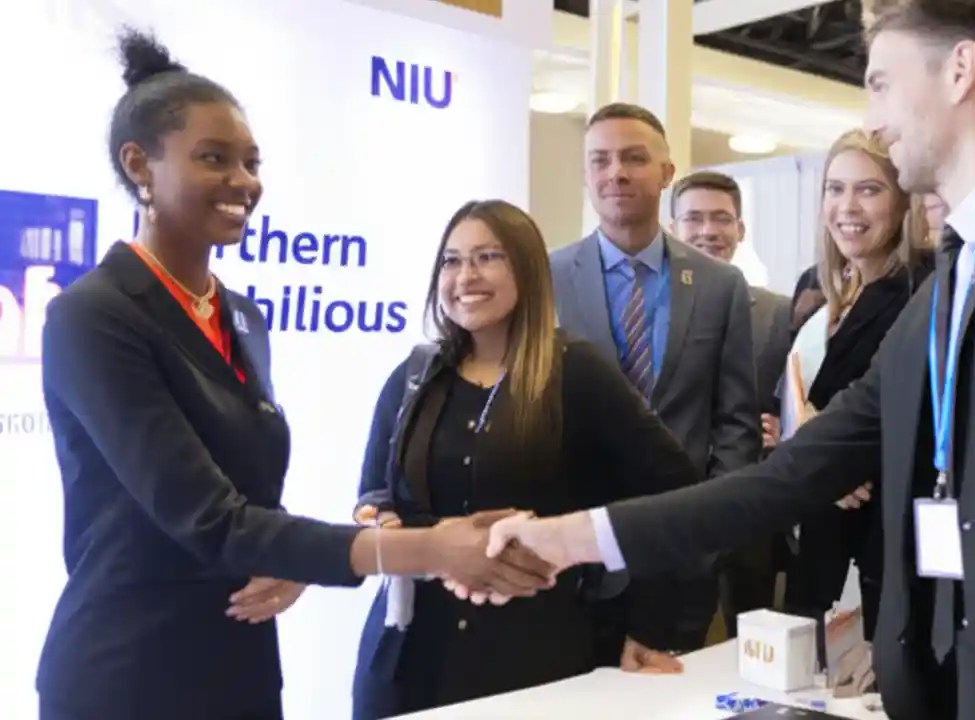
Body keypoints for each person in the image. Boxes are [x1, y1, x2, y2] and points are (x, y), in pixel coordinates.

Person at [479, 1, 975, 718]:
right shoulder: (944, 291)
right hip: (971, 674)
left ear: (959, 70)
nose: (872, 118)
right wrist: (573, 537)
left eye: (880, 82)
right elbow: (788, 476)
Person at [36, 30, 552, 720]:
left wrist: (292, 557)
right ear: (140, 165)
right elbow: (207, 518)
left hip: (242, 662)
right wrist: (428, 548)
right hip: (129, 672)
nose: (244, 182)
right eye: (214, 159)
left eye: (251, 162)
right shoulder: (93, 316)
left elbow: (249, 497)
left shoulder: (241, 317)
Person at [349, 200, 695, 718]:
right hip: (409, 655)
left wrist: (648, 623)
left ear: (527, 269)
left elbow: (675, 492)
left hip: (536, 657)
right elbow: (374, 494)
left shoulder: (575, 372)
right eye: (451, 260)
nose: (466, 276)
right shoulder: (417, 374)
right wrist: (382, 521)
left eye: (488, 257)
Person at [549, 102, 759, 653]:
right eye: (600, 160)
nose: (615, 172)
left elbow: (735, 424)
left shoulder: (719, 286)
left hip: (681, 559)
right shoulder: (544, 278)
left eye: (634, 158)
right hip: (573, 561)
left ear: (667, 173)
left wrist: (711, 532)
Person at [765, 129, 930, 640]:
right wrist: (790, 437)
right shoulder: (831, 293)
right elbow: (802, 406)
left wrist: (838, 462)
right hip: (819, 537)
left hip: (879, 548)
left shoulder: (919, 290)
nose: (846, 206)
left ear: (905, 200)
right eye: (835, 189)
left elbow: (924, 419)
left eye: (868, 189)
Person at [668, 170, 790, 635]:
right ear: (674, 228)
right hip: (670, 511)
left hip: (751, 518)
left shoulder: (781, 312)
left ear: (741, 230)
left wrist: (788, 431)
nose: (707, 231)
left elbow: (798, 396)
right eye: (693, 218)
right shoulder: (646, 309)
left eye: (721, 219)